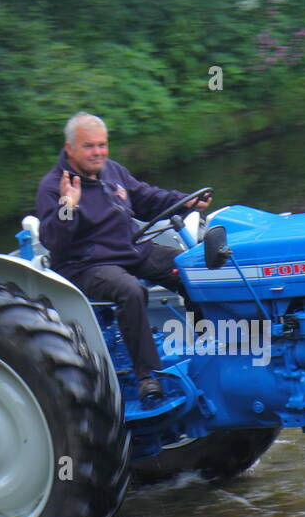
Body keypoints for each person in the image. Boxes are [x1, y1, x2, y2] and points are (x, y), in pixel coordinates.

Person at [35, 112, 211, 404]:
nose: (98, 152)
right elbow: (54, 240)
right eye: (89, 146)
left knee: (191, 267)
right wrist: (69, 205)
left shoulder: (112, 171)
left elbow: (146, 198)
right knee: (129, 290)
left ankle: (209, 345)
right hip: (86, 264)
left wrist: (186, 201)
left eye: (102, 145)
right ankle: (149, 377)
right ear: (70, 149)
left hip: (130, 250)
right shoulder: (54, 186)